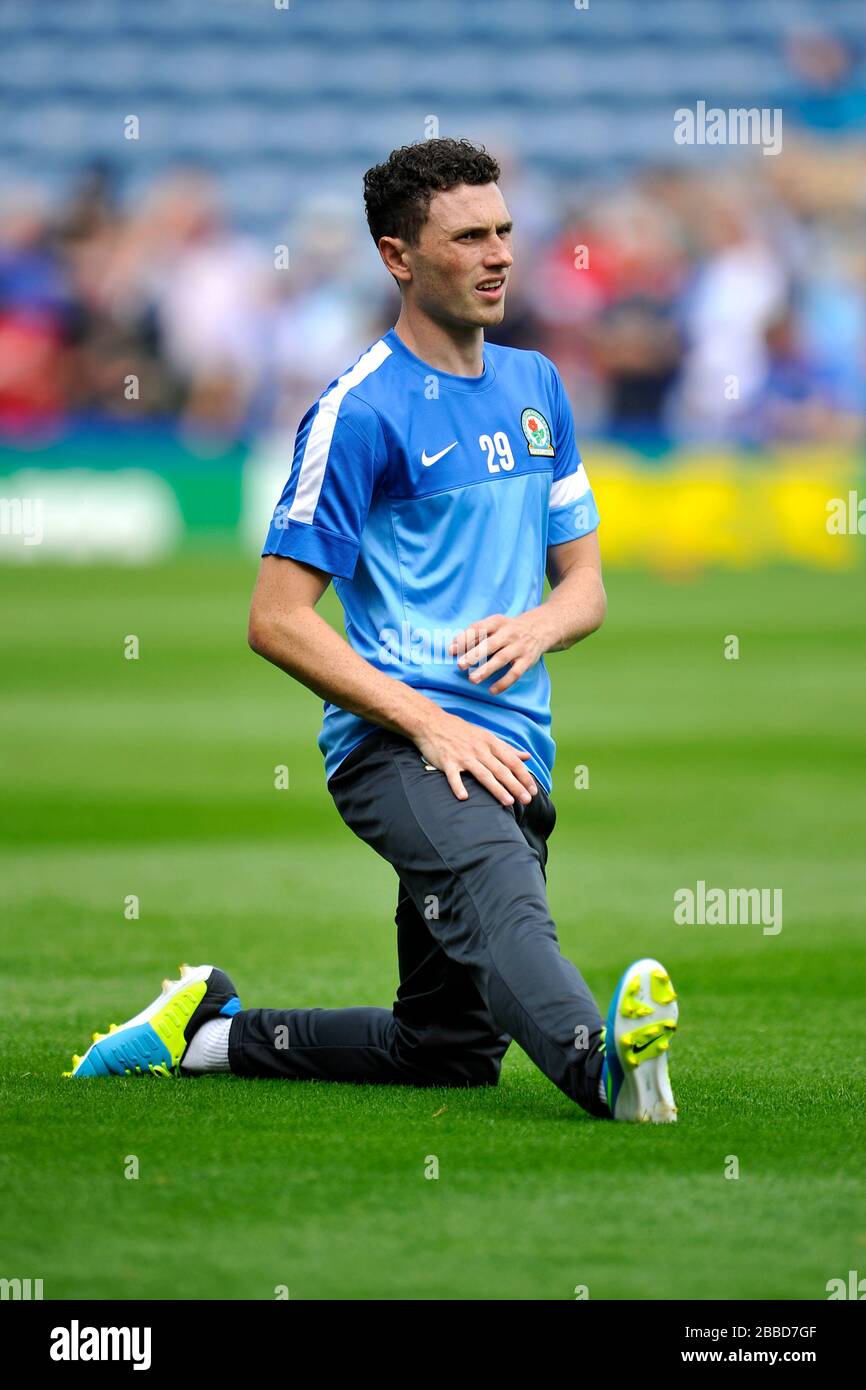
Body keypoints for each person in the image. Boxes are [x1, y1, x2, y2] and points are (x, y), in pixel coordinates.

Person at [64, 140, 679, 1122]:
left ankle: (204, 1035)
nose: (497, 256)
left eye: (504, 233)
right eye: (467, 237)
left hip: (509, 743)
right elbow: (276, 619)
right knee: (497, 880)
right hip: (401, 747)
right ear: (397, 257)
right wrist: (428, 725)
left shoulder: (536, 388)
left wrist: (538, 626)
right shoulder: (358, 411)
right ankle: (598, 1065)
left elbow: (586, 587)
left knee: (444, 1050)